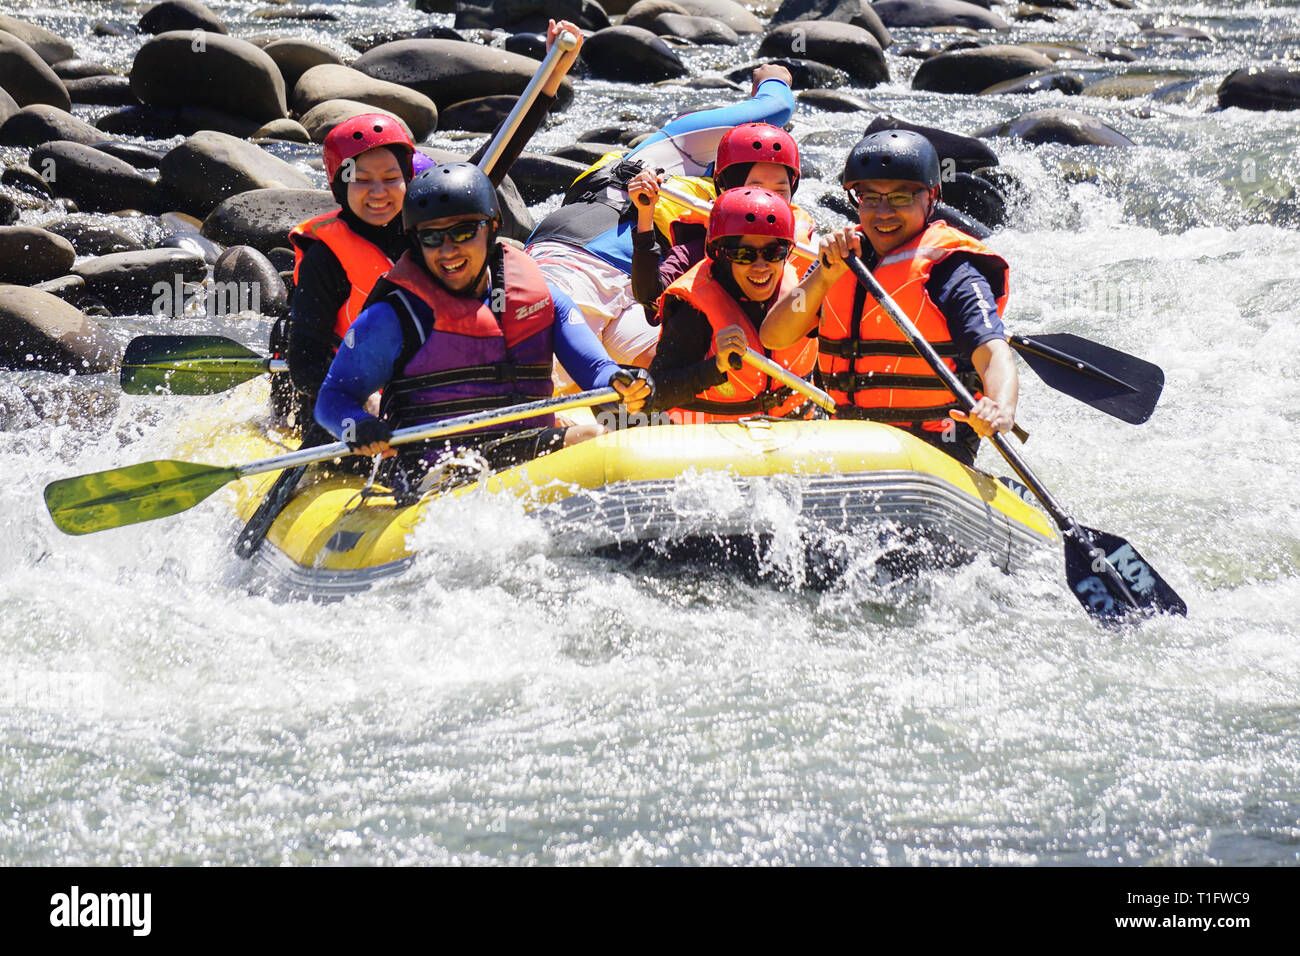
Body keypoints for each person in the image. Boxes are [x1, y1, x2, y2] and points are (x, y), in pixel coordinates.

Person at [272, 20, 585, 440]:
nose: (378, 192)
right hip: (340, 383)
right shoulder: (325, 257)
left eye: (390, 178)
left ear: (409, 179)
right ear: (340, 185)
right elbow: (307, 363)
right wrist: (361, 408)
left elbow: (499, 152)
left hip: (412, 372)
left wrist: (552, 71)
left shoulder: (430, 220)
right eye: (362, 180)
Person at [314, 163, 651, 497]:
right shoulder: (392, 318)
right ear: (416, 243)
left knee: (600, 438)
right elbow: (333, 398)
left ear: (491, 228)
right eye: (431, 237)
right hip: (434, 465)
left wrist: (620, 381)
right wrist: (356, 427)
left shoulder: (542, 298)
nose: (448, 250)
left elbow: (595, 369)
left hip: (525, 447)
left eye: (463, 232)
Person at [525, 65, 797, 385]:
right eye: (757, 184)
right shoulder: (674, 151)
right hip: (580, 258)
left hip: (642, 299)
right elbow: (775, 107)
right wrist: (776, 76)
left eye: (779, 190)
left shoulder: (765, 235)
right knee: (536, 380)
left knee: (666, 379)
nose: (766, 198)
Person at [760, 129, 1018, 466]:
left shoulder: (952, 270)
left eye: (900, 198)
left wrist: (1000, 407)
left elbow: (993, 354)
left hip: (934, 446)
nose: (883, 213)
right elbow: (774, 335)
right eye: (870, 198)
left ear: (931, 197)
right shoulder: (842, 258)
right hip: (849, 438)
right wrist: (823, 276)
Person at [647, 187, 816, 422]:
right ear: (722, 255)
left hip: (791, 426)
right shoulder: (694, 311)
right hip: (716, 438)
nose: (761, 266)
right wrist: (715, 367)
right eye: (744, 255)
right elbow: (655, 393)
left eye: (773, 252)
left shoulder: (800, 289)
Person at [627, 122, 816, 315]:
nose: (768, 201)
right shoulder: (700, 246)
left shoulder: (807, 245)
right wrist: (645, 215)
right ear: (726, 188)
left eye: (780, 191)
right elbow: (650, 296)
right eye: (756, 188)